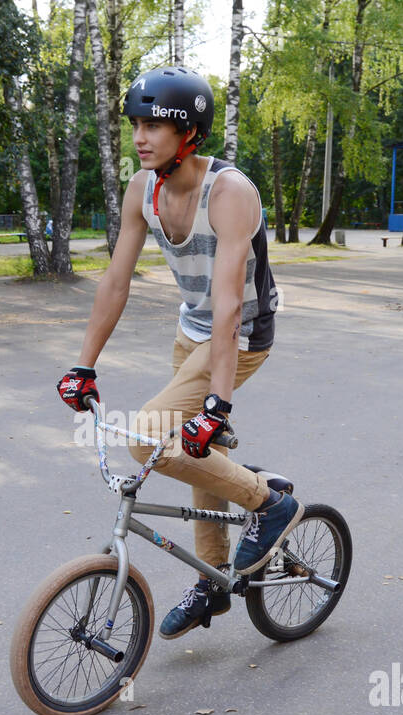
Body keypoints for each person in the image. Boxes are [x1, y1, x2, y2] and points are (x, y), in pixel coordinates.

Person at [56, 65, 299, 640]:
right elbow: (117, 279)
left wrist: (218, 402)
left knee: (148, 437)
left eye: (154, 125)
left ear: (188, 132)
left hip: (239, 335)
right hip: (190, 332)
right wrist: (83, 365)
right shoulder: (143, 188)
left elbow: (230, 305)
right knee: (190, 451)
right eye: (135, 124)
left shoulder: (230, 192)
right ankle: (214, 581)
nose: (139, 136)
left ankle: (268, 503)